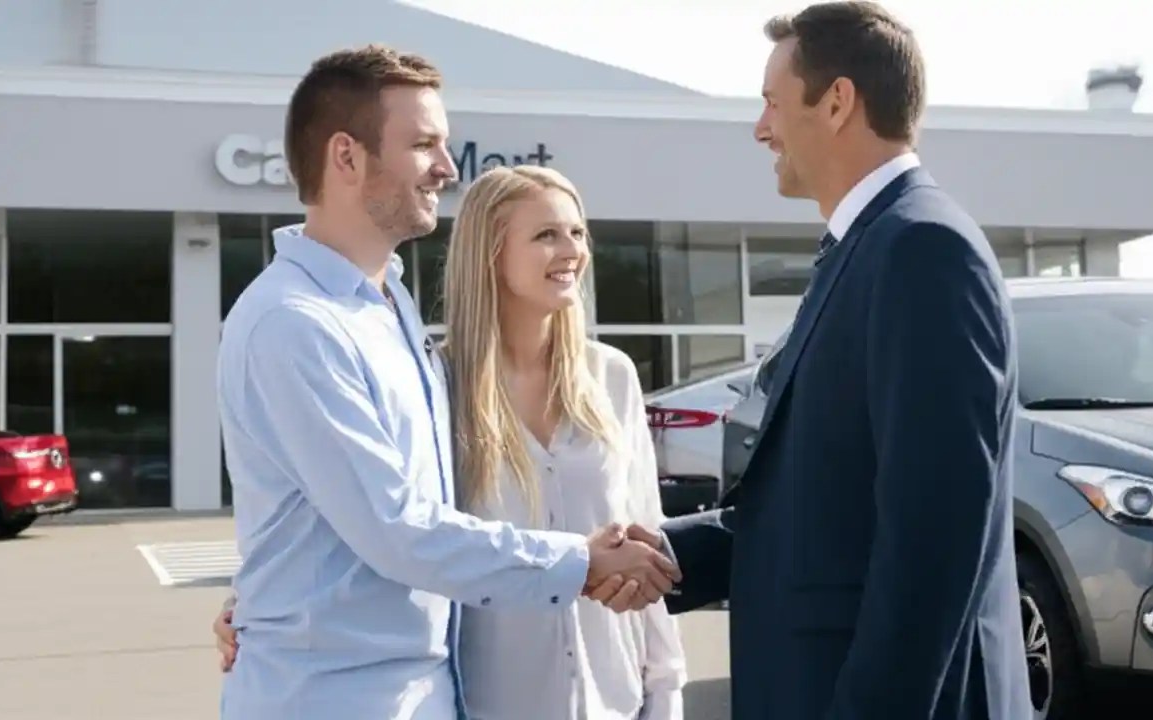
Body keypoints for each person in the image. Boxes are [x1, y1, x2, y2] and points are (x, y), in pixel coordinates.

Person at [214, 44, 678, 720]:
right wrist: (581, 560)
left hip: (424, 692)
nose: (444, 167)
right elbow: (399, 529)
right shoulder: (294, 323)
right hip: (333, 698)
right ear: (346, 156)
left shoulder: (389, 310)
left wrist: (252, 596)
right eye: (424, 143)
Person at [598, 3, 1033, 719]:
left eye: (772, 102)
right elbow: (827, 506)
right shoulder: (866, 247)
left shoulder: (922, 252)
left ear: (836, 102)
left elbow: (932, 540)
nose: (761, 128)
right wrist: (674, 555)